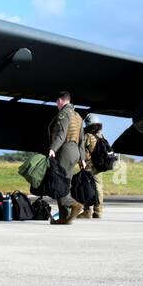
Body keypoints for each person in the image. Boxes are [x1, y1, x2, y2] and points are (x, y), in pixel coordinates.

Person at [46, 90, 86, 225]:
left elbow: (61, 134)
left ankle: (74, 205)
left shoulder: (64, 113)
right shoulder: (78, 115)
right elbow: (81, 139)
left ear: (60, 100)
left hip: (65, 150)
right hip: (74, 152)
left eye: (57, 102)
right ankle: (65, 217)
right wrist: (82, 158)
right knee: (65, 183)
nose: (57, 104)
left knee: (58, 183)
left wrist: (53, 148)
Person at [80, 113, 106, 219]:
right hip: (99, 166)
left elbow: (81, 150)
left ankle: (87, 211)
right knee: (98, 187)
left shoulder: (87, 136)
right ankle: (98, 211)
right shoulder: (101, 135)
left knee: (86, 187)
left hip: (89, 165)